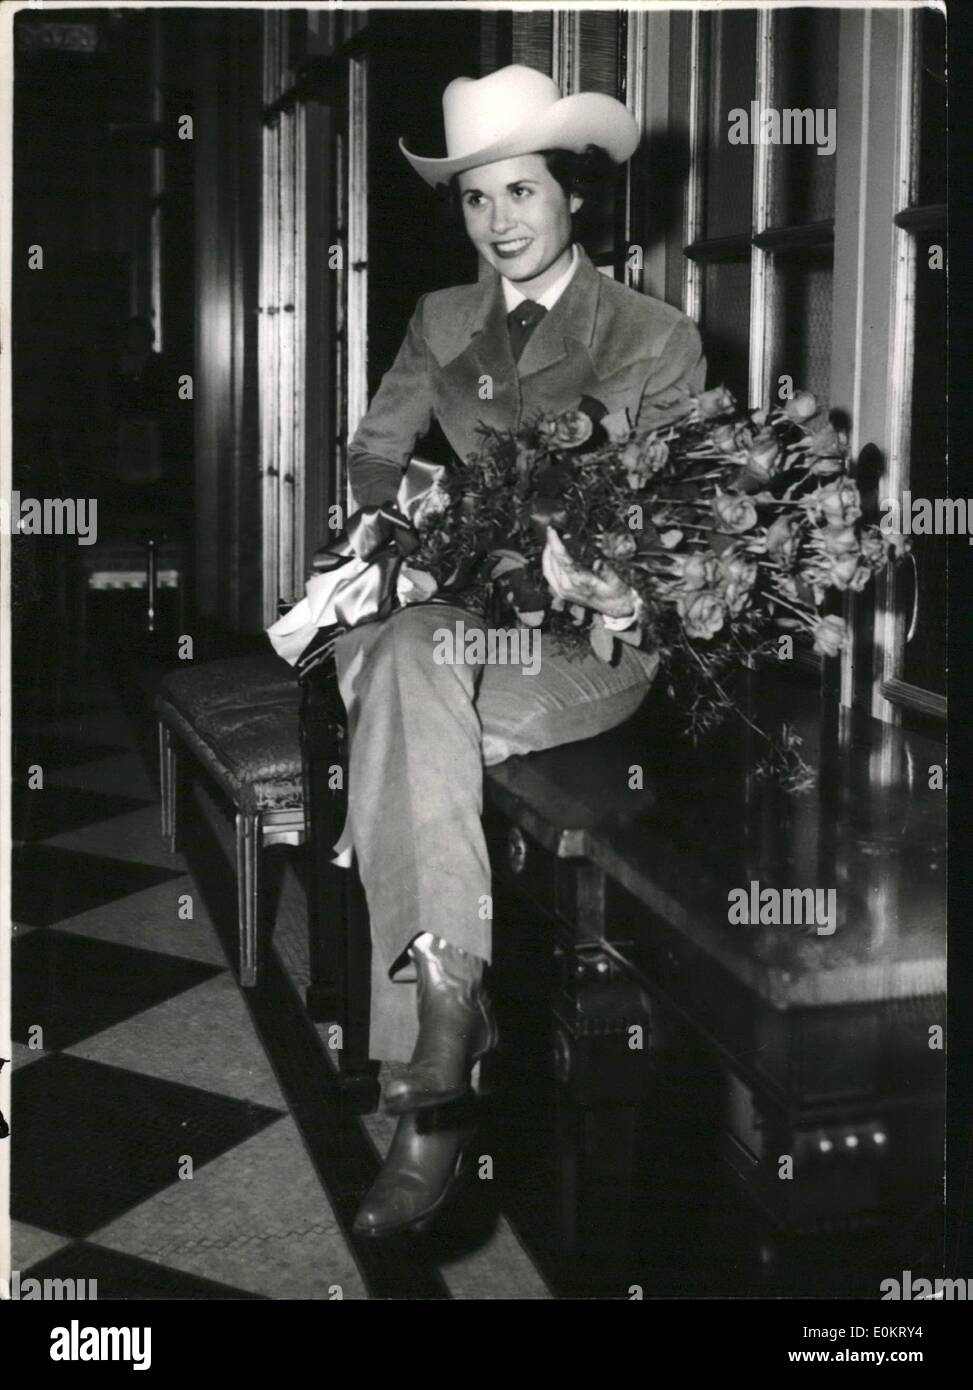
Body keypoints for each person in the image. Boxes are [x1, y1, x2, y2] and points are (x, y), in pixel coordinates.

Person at [337, 64, 706, 1237]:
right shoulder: (443, 322)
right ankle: (449, 1020)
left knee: (405, 697)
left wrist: (607, 571)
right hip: (467, 617)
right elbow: (372, 452)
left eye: (521, 194)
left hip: (594, 640)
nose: (498, 221)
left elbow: (681, 527)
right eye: (476, 200)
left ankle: (432, 1084)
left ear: (574, 200)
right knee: (411, 661)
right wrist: (409, 515)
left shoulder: (654, 337)